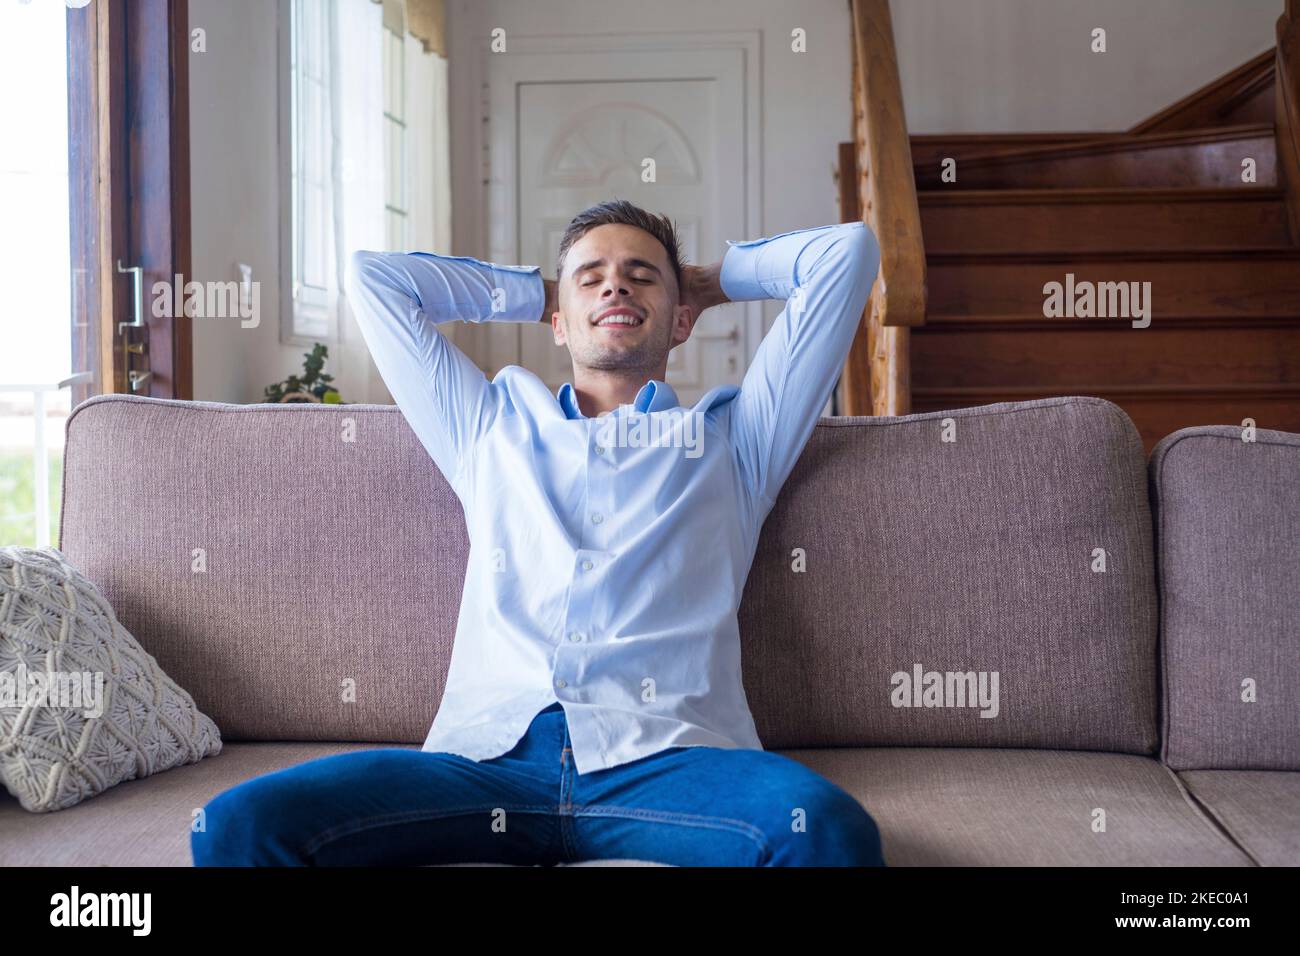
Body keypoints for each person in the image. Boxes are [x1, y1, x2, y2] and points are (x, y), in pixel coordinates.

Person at [191, 199, 885, 867]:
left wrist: (705, 281)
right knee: (238, 826)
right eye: (591, 276)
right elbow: (377, 279)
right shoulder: (487, 425)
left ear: (681, 322)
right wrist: (539, 293)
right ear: (558, 319)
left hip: (667, 763)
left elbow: (845, 254)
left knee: (824, 830)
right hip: (485, 765)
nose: (616, 281)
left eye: (642, 275)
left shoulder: (735, 441)